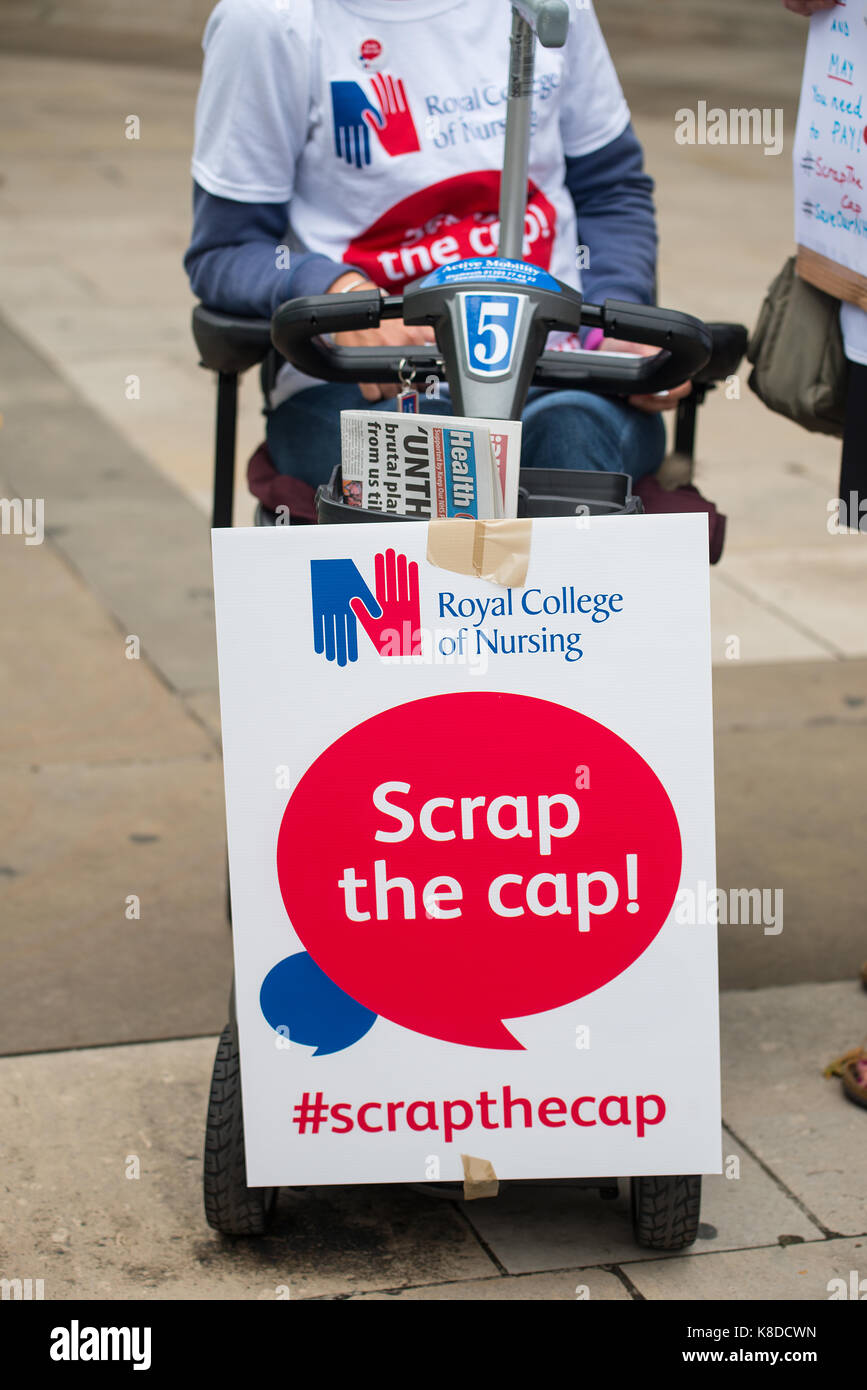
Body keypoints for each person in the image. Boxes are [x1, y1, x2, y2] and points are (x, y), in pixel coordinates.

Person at [184, 0, 691, 503]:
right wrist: (337, 294)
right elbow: (227, 250)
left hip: (562, 373)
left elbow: (611, 191)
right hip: (371, 387)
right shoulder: (271, 20)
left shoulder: (550, 7)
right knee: (442, 471)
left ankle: (552, 584)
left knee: (567, 441)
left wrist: (614, 333)